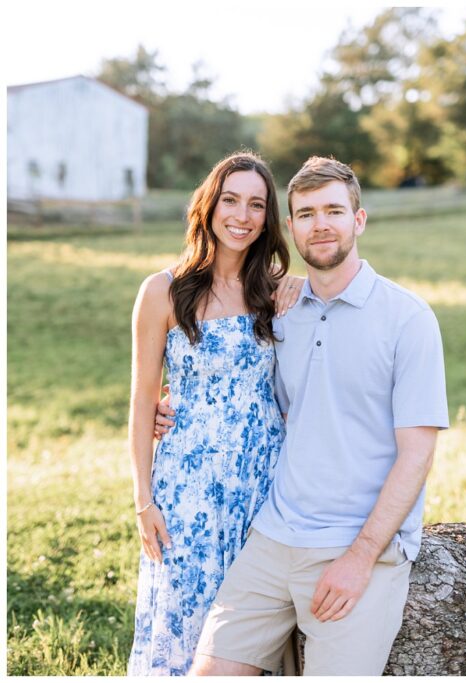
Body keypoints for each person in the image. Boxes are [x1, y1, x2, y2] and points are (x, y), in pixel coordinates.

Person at [156, 156, 448, 676]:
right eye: (306, 214)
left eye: (333, 210)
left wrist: (360, 558)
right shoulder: (279, 313)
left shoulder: (408, 319)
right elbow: (245, 391)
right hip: (273, 537)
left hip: (358, 546)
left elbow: (418, 454)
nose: (320, 224)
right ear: (290, 229)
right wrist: (170, 408)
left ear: (359, 220)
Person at [127, 152, 303, 675]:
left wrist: (298, 286)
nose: (242, 216)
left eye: (256, 205)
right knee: (184, 619)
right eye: (231, 200)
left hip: (263, 482)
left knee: (252, 625)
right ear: (208, 205)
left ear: (268, 218)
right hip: (188, 486)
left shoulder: (274, 291)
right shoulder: (163, 290)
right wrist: (142, 500)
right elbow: (141, 403)